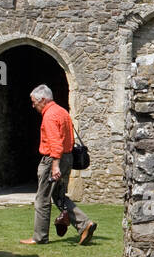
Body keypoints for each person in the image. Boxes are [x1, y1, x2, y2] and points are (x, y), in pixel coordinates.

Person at [19, 85, 97, 247]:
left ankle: (39, 237)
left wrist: (55, 166)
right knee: (59, 197)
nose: (33, 105)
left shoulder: (49, 116)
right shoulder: (62, 112)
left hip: (53, 159)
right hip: (67, 158)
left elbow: (55, 143)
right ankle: (85, 224)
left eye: (34, 102)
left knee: (42, 198)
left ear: (43, 100)